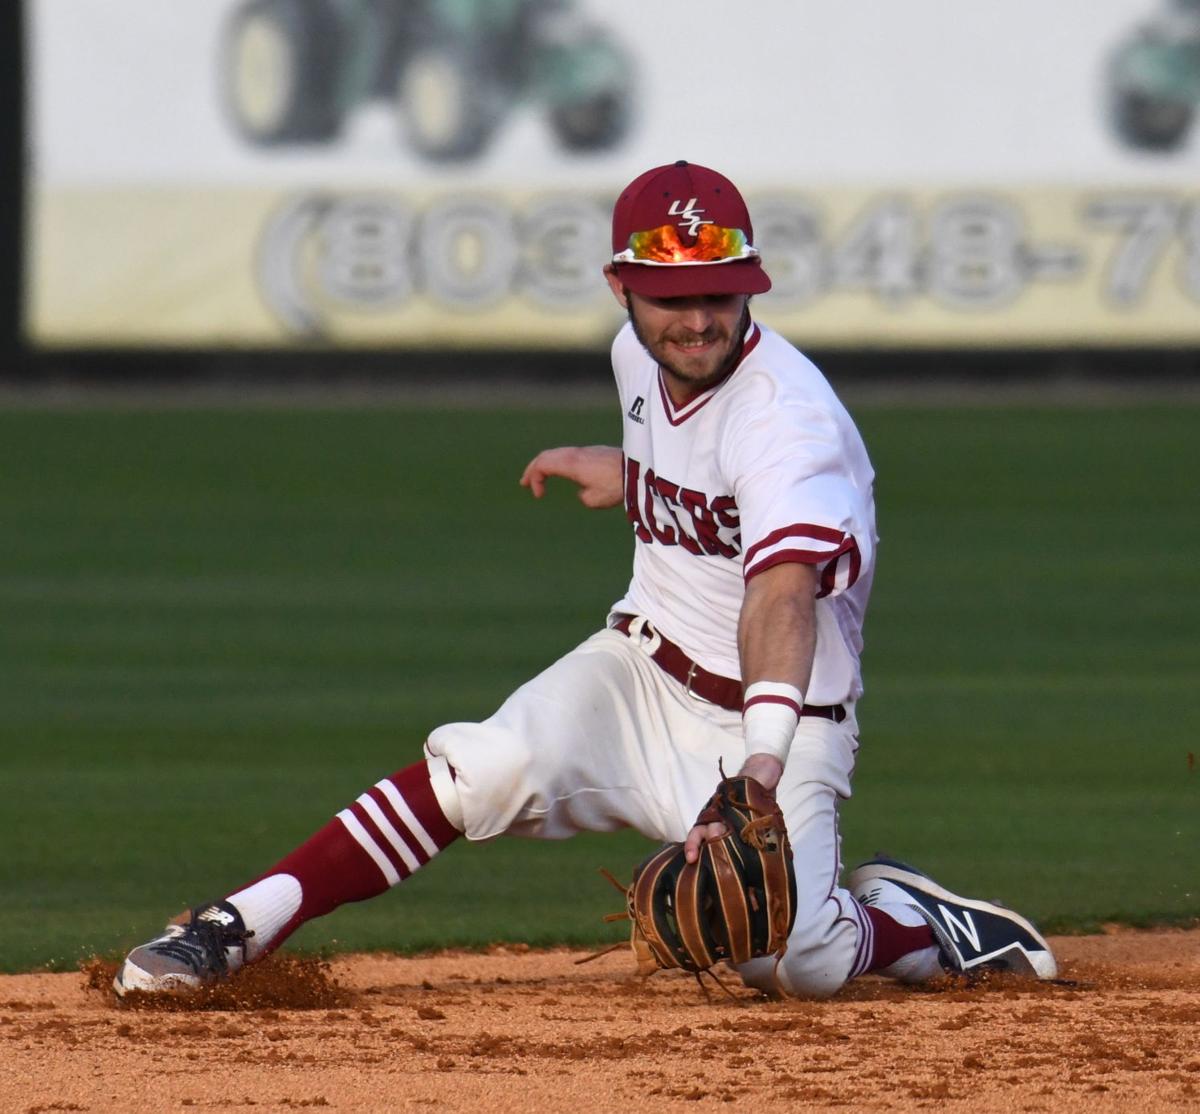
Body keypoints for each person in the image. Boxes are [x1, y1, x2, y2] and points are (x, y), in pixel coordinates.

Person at [115, 161, 1056, 999]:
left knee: (797, 963)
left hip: (781, 720)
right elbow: (701, 467)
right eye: (669, 297)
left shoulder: (789, 421)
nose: (697, 320)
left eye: (720, 293)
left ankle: (920, 922)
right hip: (637, 673)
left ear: (751, 282)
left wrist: (759, 769)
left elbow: (781, 590)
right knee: (483, 768)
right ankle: (232, 928)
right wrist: (633, 473)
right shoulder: (637, 356)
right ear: (620, 288)